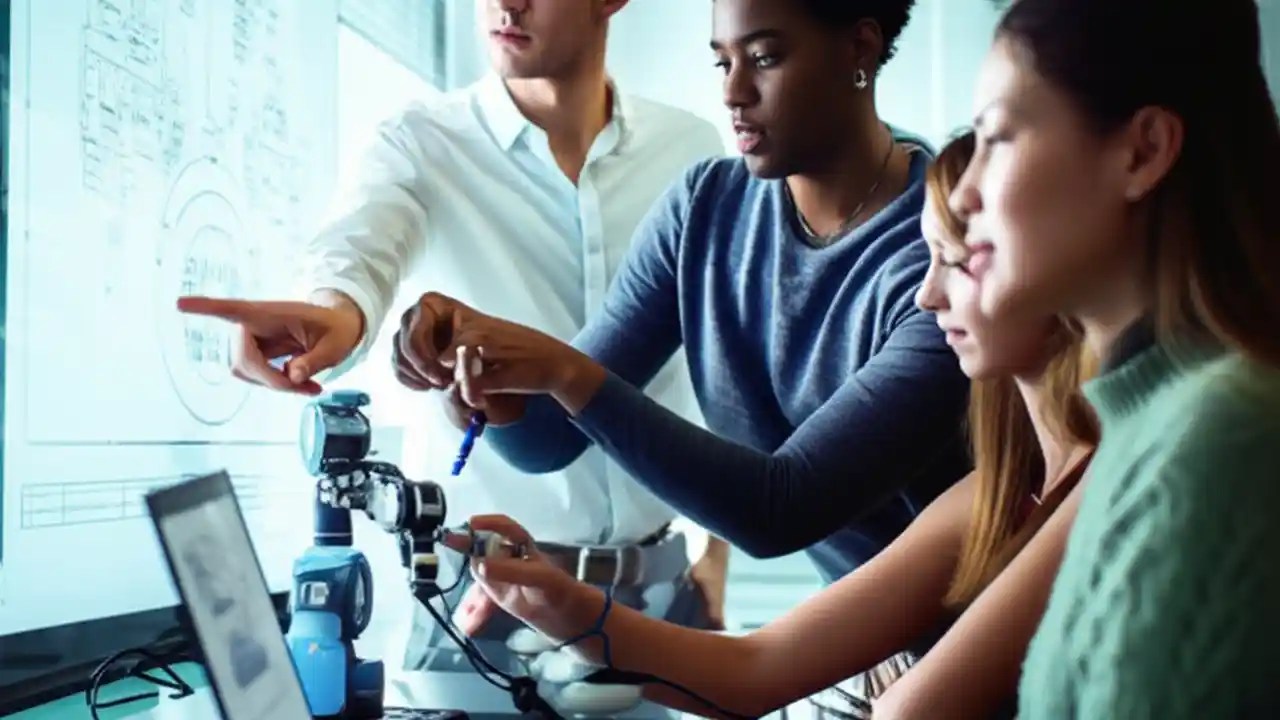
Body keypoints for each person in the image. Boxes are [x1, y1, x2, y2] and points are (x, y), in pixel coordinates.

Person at [439, 132, 1099, 720]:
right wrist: (556, 603)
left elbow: (897, 701)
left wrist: (567, 373)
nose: (927, 294)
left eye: (958, 260)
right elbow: (753, 672)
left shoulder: (1098, 490)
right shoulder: (992, 493)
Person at [177, 0, 732, 670]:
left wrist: (718, 552)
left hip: (659, 591)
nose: (505, 4)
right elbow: (356, 253)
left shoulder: (690, 150)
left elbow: (726, 357)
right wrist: (334, 311)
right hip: (482, 598)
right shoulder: (419, 141)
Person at [398, 0, 972, 591]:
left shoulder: (945, 264)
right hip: (860, 626)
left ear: (859, 49)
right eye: (723, 63)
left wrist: (562, 370)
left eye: (764, 58)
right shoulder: (705, 210)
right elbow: (549, 437)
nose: (733, 93)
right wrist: (480, 382)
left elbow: (782, 508)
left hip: (975, 625)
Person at [949, 0, 1280, 717]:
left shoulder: (1221, 434)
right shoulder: (1145, 425)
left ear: (1143, 151)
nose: (967, 193)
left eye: (996, 138)